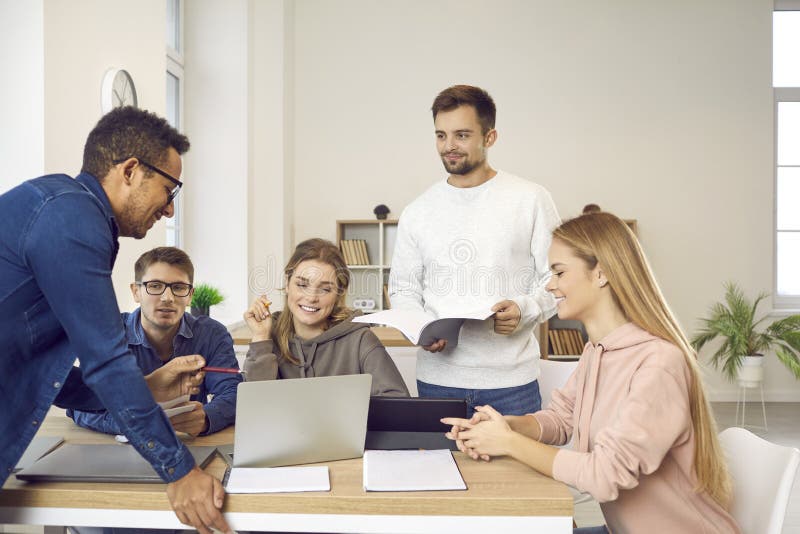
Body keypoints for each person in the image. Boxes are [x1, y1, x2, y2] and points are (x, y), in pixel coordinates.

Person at [0, 107, 231, 534]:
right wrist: (180, 471)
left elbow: (36, 371)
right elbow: (106, 363)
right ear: (129, 171)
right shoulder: (71, 218)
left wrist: (144, 388)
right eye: (169, 190)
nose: (169, 210)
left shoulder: (62, 208)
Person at [443, 212, 740, 534]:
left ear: (601, 273)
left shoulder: (659, 363)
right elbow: (562, 419)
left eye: (559, 272)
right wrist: (506, 426)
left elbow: (605, 475)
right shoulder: (597, 351)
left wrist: (509, 443)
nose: (550, 285)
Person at [388, 84, 560, 416]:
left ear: (490, 137)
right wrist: (420, 328)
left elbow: (558, 279)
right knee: (438, 455)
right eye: (441, 135)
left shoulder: (531, 199)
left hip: (512, 384)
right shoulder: (417, 211)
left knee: (516, 455)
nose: (449, 146)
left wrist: (525, 309)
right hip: (437, 383)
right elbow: (403, 288)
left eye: (462, 135)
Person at [68, 247, 241, 437]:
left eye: (179, 287)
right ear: (136, 292)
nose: (168, 298)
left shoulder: (212, 334)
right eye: (155, 286)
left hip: (189, 444)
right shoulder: (109, 335)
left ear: (190, 295)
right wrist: (131, 424)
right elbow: (79, 406)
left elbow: (233, 392)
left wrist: (206, 418)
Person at [243, 238, 409, 396]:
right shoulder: (269, 336)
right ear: (287, 284)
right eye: (302, 285)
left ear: (339, 294)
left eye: (325, 289)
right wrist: (261, 338)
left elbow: (397, 401)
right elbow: (255, 403)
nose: (311, 297)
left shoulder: (360, 339)